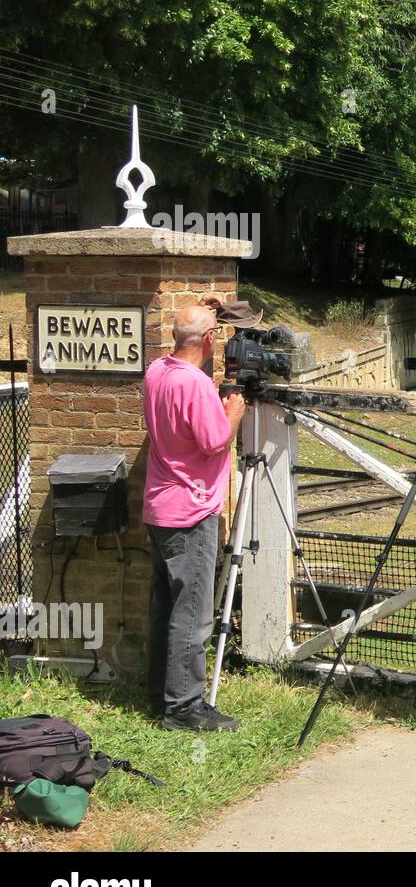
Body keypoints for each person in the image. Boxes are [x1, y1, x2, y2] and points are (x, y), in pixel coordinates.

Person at [142, 303, 245, 731]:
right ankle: (184, 707)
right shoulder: (196, 385)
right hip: (192, 507)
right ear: (208, 340)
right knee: (193, 611)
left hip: (159, 504)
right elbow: (213, 441)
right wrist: (233, 413)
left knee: (164, 604)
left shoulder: (155, 372)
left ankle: (160, 693)